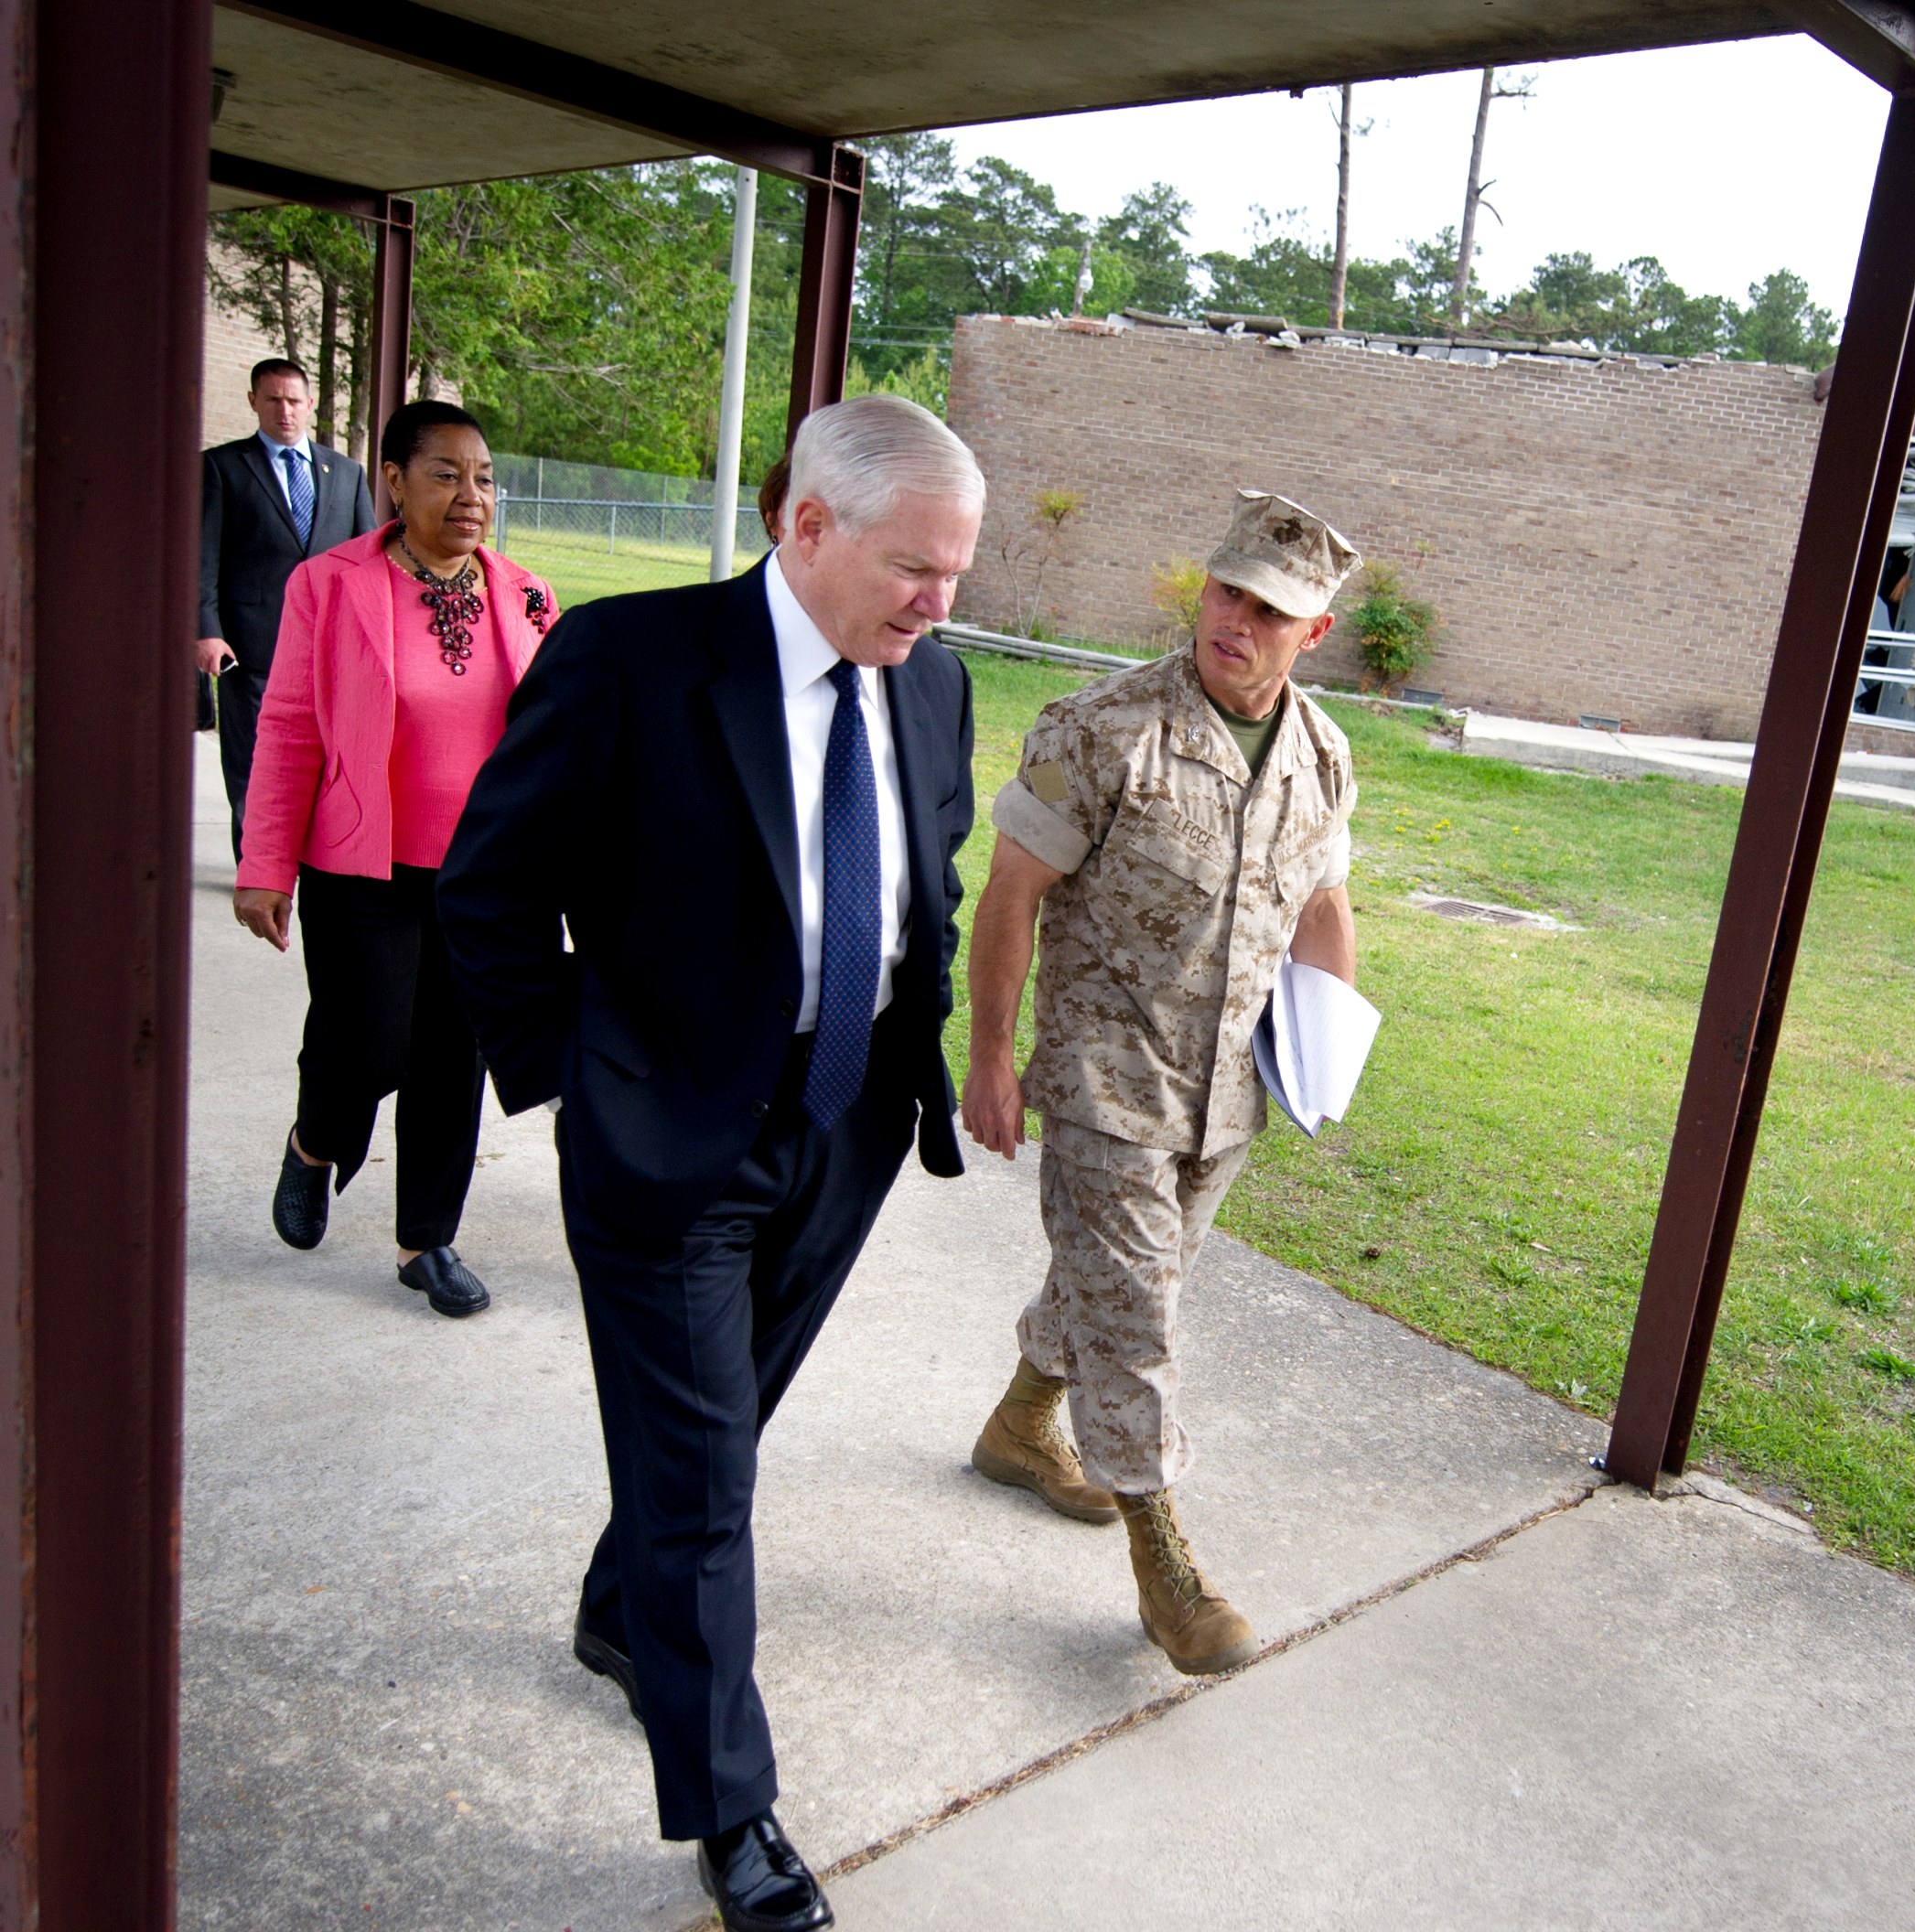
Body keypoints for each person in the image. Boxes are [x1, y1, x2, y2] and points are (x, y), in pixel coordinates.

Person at [436, 394, 982, 1932]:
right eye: (915, 568)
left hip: (845, 1128)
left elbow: (922, 875)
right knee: (703, 1492)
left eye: (957, 573)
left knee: (712, 1443)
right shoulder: (630, 661)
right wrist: (579, 1080)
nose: (941, 603)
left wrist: (922, 1059)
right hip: (666, 1146)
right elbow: (487, 889)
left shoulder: (928, 684)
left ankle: (622, 1617)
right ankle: (731, 1810)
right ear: (806, 525)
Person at [961, 488, 1361, 1676]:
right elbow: (1011, 894)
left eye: (1271, 608)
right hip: (1104, 1083)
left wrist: (1324, 1055)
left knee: (1120, 1280)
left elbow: (1326, 907)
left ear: (1315, 633)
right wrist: (990, 1054)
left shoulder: (1324, 756)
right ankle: (1168, 1568)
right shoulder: (1104, 728)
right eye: (1227, 589)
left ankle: (1020, 1424)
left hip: (1227, 1096)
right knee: (1141, 1321)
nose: (1235, 617)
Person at [233, 400, 555, 1317]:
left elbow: (549, 745)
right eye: (447, 473)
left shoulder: (525, 595)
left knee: (450, 1061)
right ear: (394, 481)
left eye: (485, 477)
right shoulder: (328, 585)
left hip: (479, 877)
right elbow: (290, 726)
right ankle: (317, 1140)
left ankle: (427, 1241)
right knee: (365, 1036)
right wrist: (266, 864)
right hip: (360, 865)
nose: (472, 495)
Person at [201, 358, 378, 855]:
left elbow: (366, 561)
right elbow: (202, 556)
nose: (285, 410)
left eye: (294, 400)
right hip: (250, 643)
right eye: (274, 399)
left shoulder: (345, 472)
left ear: (310, 404)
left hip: (330, 644)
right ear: (253, 401)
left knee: (323, 756)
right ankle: (257, 861)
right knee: (256, 759)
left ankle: (311, 855)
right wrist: (206, 630)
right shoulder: (222, 467)